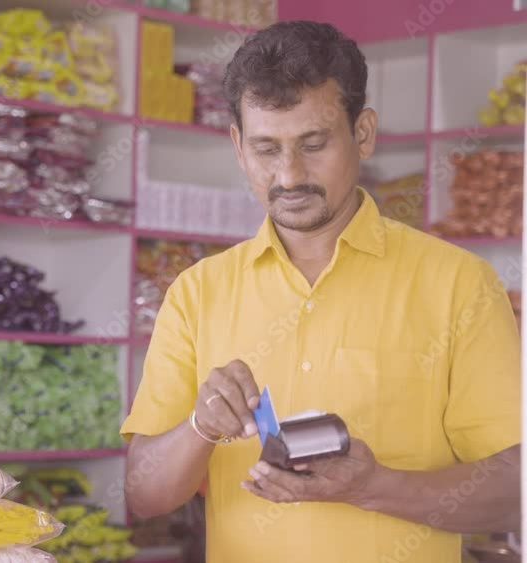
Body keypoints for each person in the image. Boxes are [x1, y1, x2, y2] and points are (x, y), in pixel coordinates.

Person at [121, 20, 521, 563]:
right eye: (266, 148)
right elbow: (144, 496)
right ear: (238, 147)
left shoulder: (459, 284)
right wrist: (199, 427)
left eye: (313, 144)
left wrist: (369, 487)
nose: (288, 176)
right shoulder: (197, 292)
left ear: (363, 133)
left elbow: (514, 493)